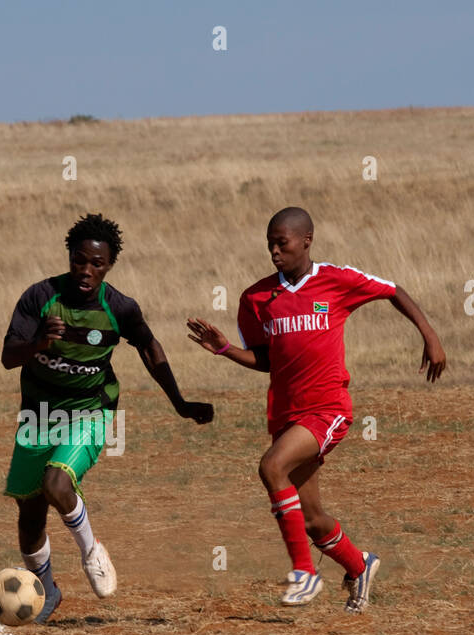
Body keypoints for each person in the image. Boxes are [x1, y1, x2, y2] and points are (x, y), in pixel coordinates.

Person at [187, 206, 446, 613]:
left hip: (327, 410)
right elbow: (266, 360)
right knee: (312, 519)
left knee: (271, 468)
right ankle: (360, 566)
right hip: (286, 415)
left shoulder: (337, 280)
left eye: (282, 243)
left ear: (306, 240)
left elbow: (393, 289)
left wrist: (429, 335)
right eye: (270, 244)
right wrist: (225, 349)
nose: (274, 251)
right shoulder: (256, 298)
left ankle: (304, 573)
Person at [1, 212, 213, 623]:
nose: (86, 271)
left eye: (96, 264)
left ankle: (91, 552)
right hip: (39, 415)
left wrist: (180, 402)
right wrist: (39, 341)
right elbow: (8, 357)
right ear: (70, 257)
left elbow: (151, 349)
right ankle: (47, 589)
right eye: (79, 260)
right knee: (29, 516)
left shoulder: (119, 307)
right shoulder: (39, 297)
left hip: (90, 411)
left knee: (56, 482)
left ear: (110, 265)